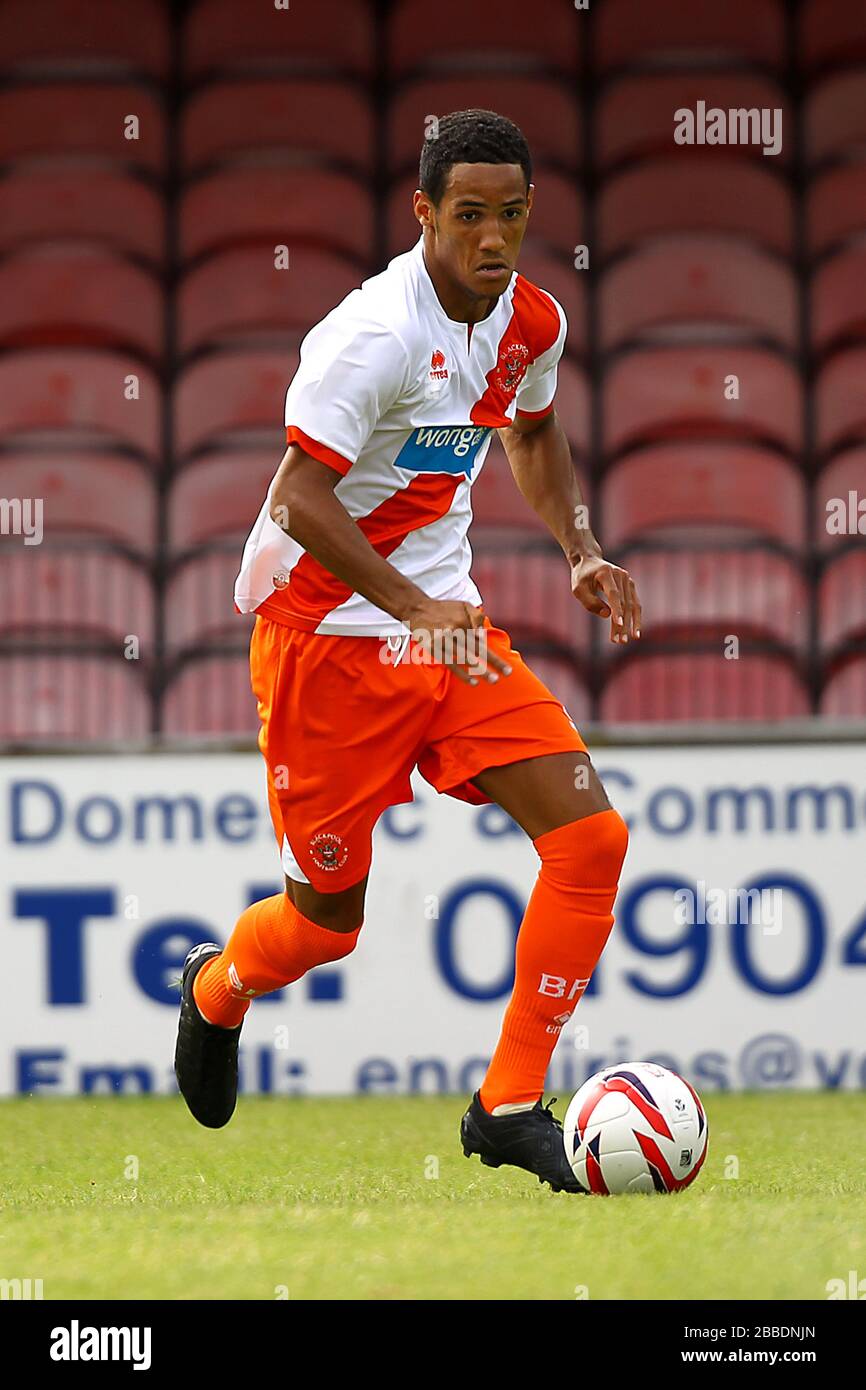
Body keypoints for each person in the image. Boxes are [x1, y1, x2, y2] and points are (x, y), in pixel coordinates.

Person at [174, 109, 640, 1194]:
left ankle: (508, 1103)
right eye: (467, 214)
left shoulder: (530, 321)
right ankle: (216, 988)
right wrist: (403, 608)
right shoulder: (371, 335)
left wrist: (578, 547)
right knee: (325, 926)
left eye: (509, 215)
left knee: (590, 839)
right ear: (423, 211)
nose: (490, 236)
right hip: (325, 645)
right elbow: (297, 500)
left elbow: (529, 430)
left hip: (446, 628)